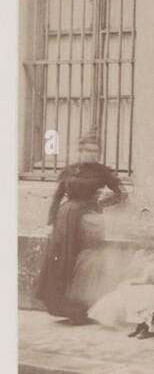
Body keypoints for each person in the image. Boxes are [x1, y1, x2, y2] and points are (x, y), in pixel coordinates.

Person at [36, 128, 124, 322]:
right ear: (80, 150)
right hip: (64, 221)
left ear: (98, 153)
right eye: (87, 150)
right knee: (63, 262)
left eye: (95, 150)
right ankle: (64, 308)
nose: (90, 153)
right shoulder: (70, 170)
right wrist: (50, 223)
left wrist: (99, 204)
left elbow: (120, 194)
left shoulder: (103, 172)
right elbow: (57, 197)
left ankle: (83, 310)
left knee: (85, 264)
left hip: (89, 222)